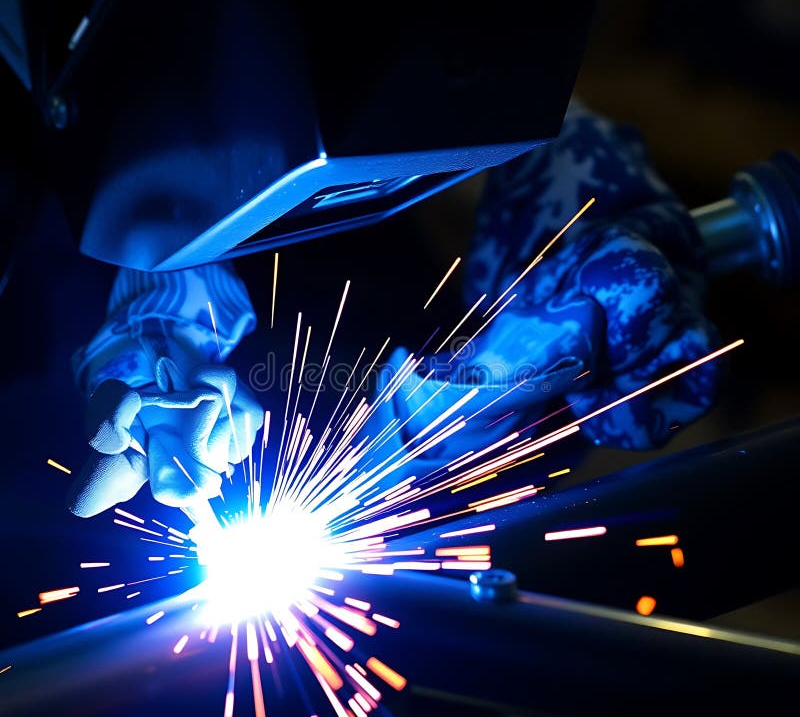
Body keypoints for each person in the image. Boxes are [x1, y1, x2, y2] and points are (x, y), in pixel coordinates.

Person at [67, 100, 721, 518]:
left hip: (413, 403)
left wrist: (591, 206)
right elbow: (155, 130)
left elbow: (506, 98)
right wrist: (158, 339)